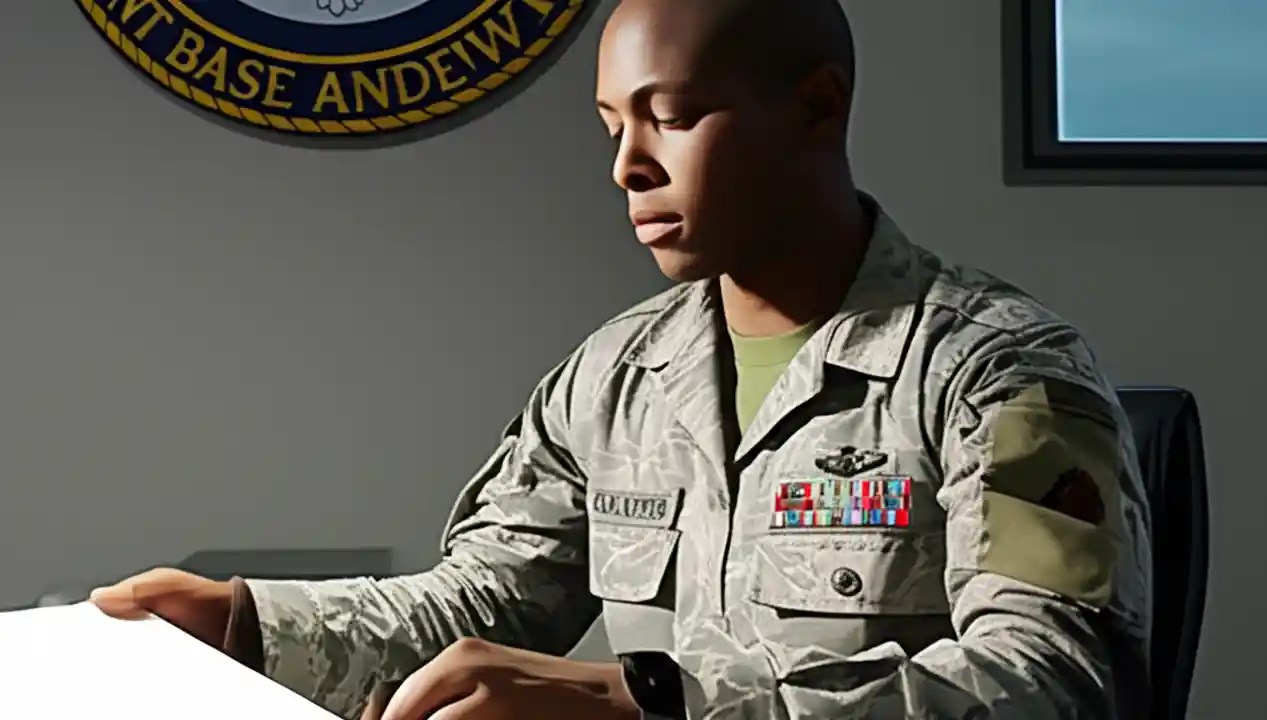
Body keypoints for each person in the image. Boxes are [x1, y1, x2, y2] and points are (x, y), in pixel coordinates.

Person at [90, 0, 1153, 718]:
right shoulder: (615, 377)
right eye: (610, 126)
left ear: (817, 109)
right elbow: (482, 606)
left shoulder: (997, 371)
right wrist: (237, 626)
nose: (627, 166)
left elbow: (1052, 678)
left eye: (671, 117)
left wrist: (644, 701)